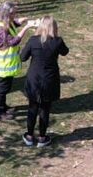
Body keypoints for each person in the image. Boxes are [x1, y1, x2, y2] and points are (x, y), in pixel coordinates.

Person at [19, 17, 68, 148]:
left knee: (32, 107)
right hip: (49, 79)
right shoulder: (57, 41)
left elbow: (22, 57)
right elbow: (65, 52)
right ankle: (42, 137)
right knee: (45, 109)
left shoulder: (33, 41)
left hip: (34, 78)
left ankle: (29, 136)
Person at [0, 3, 26, 122]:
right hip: (3, 66)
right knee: (1, 89)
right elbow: (12, 41)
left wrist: (19, 22)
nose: (15, 15)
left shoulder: (6, 24)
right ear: (6, 14)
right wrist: (25, 29)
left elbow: (12, 26)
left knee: (6, 87)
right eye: (13, 13)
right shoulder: (1, 28)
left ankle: (3, 106)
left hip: (7, 65)